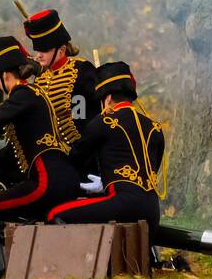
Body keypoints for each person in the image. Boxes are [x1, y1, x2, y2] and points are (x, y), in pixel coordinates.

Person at [0, 36, 82, 223]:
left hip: (46, 183)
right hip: (63, 180)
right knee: (14, 214)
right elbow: (14, 151)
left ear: (4, 75)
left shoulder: (24, 94)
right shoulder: (33, 94)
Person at [47, 61, 166, 234]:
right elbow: (150, 168)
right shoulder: (155, 127)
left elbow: (76, 157)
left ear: (107, 98)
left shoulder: (103, 122)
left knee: (54, 213)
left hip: (123, 205)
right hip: (152, 210)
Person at [23, 8, 98, 145]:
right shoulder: (40, 78)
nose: (39, 55)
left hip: (83, 150)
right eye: (38, 50)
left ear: (61, 50)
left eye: (44, 50)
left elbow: (86, 116)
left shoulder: (80, 70)